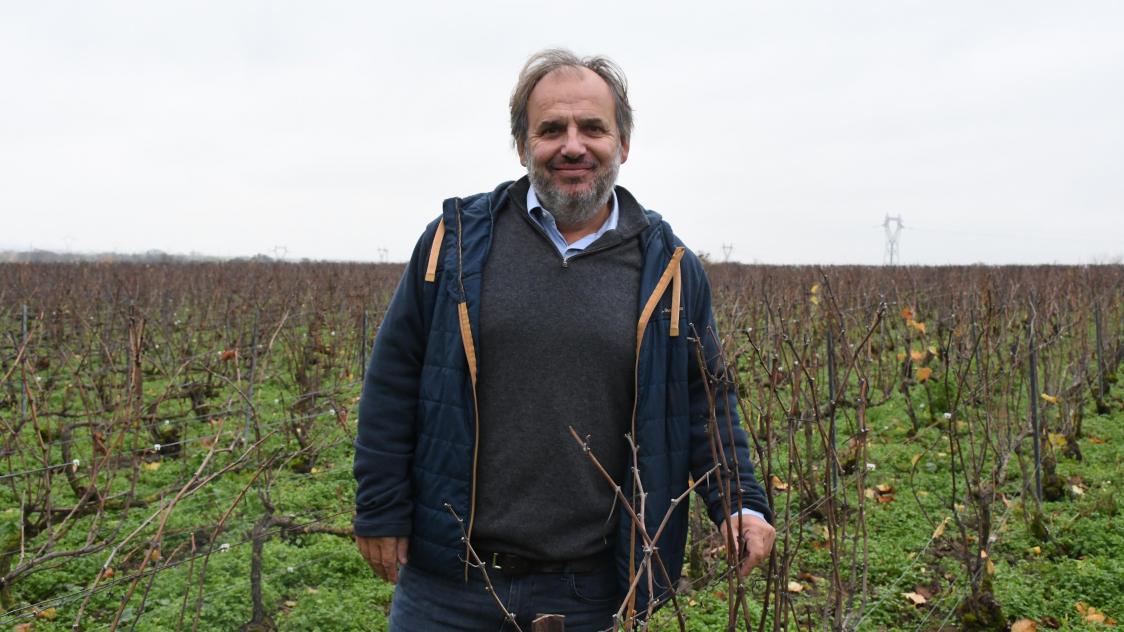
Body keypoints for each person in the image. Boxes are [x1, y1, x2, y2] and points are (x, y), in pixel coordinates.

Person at [353, 48, 775, 631]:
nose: (572, 145)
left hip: (591, 591)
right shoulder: (452, 245)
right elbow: (393, 382)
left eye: (593, 128)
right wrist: (379, 508)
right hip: (449, 584)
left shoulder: (670, 268)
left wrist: (739, 503)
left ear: (622, 144)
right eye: (551, 129)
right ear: (523, 146)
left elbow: (704, 401)